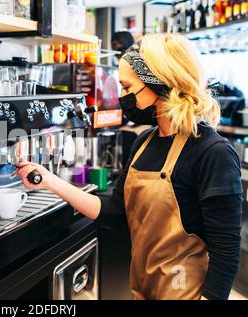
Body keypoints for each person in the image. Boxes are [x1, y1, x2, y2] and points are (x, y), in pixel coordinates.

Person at [16, 33, 243, 300]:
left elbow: (226, 253)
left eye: (126, 88)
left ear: (159, 83)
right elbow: (113, 212)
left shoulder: (211, 152)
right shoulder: (145, 142)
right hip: (142, 290)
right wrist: (49, 180)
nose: (122, 98)